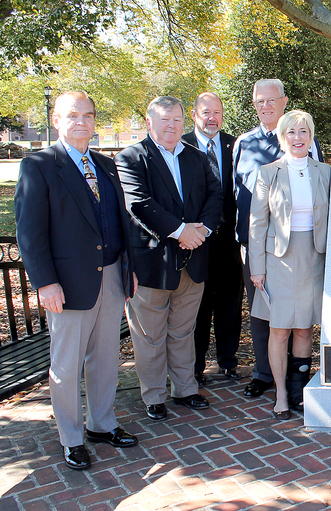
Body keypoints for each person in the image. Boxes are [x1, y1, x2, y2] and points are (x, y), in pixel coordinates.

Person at [15, 91, 138, 470]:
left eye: (87, 115)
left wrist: (128, 269)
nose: (81, 121)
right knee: (66, 366)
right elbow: (30, 232)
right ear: (56, 119)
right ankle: (71, 437)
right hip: (67, 284)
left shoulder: (105, 164)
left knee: (104, 359)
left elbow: (119, 220)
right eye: (72, 115)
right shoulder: (39, 166)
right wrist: (45, 282)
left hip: (112, 277)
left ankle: (102, 424)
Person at [115, 96, 223, 421]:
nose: (171, 126)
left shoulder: (196, 156)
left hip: (194, 262)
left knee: (182, 332)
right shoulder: (131, 158)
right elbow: (139, 204)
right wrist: (180, 231)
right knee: (150, 337)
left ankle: (185, 389)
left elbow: (215, 193)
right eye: (164, 120)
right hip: (152, 265)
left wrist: (200, 230)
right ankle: (153, 396)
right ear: (149, 123)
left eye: (176, 120)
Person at [232, 79, 322, 399]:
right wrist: (251, 252)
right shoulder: (244, 144)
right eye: (260, 101)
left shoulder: (310, 151)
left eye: (272, 100)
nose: (266, 106)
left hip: (309, 251)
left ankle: (295, 386)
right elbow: (237, 194)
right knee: (266, 318)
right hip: (263, 249)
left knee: (301, 322)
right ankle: (265, 375)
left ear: (283, 102)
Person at [248, 110, 331, 419]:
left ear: (311, 137)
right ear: (282, 138)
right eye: (292, 132)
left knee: (304, 328)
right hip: (277, 260)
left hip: (314, 255)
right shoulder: (267, 173)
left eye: (304, 132)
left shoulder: (325, 171)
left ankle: (299, 392)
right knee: (280, 329)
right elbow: (257, 223)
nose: (298, 138)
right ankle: (281, 394)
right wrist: (257, 267)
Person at [182, 92, 243, 385]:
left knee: (230, 305)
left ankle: (228, 362)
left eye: (217, 112)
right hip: (195, 242)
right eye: (206, 112)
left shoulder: (235, 145)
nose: (212, 118)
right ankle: (195, 366)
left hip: (230, 241)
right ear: (195, 115)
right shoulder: (181, 145)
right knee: (199, 306)